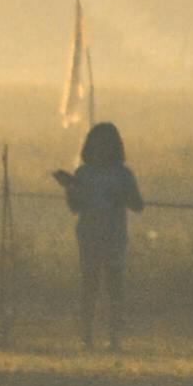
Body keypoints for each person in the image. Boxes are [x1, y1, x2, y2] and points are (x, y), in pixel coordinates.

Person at [55, 111, 145, 352]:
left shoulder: (123, 174)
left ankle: (114, 338)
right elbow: (75, 206)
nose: (101, 150)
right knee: (90, 287)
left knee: (114, 287)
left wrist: (122, 196)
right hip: (89, 235)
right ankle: (87, 338)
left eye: (106, 145)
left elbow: (138, 205)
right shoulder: (84, 174)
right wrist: (69, 187)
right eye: (97, 144)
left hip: (114, 236)